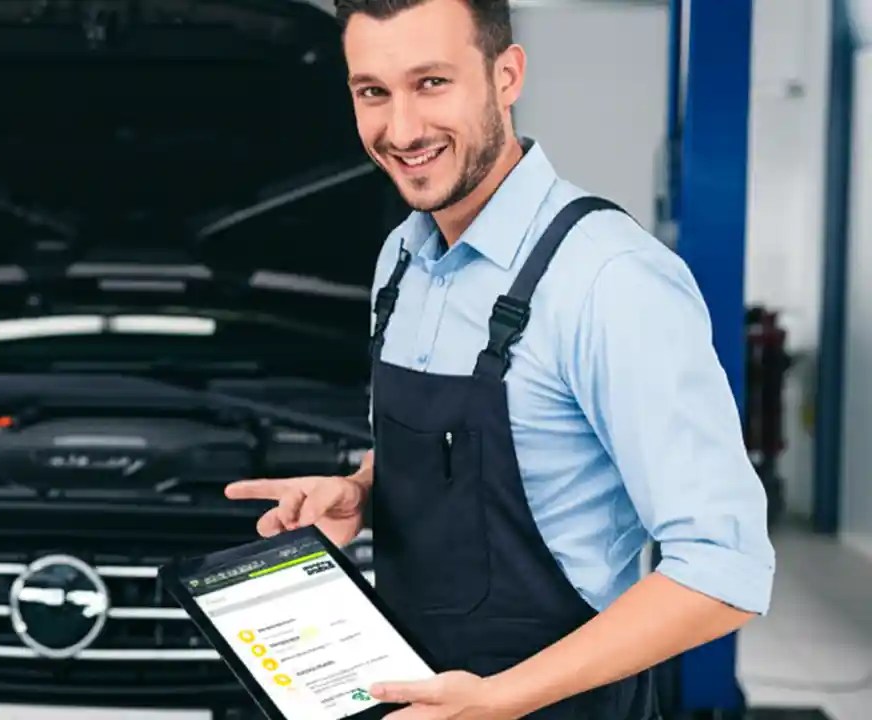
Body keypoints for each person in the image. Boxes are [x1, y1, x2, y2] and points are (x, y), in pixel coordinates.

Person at [223, 0, 776, 717]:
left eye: (431, 83)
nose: (402, 130)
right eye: (373, 92)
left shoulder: (611, 279)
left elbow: (724, 571)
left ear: (507, 75)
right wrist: (363, 490)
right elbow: (489, 462)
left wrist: (499, 701)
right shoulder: (402, 259)